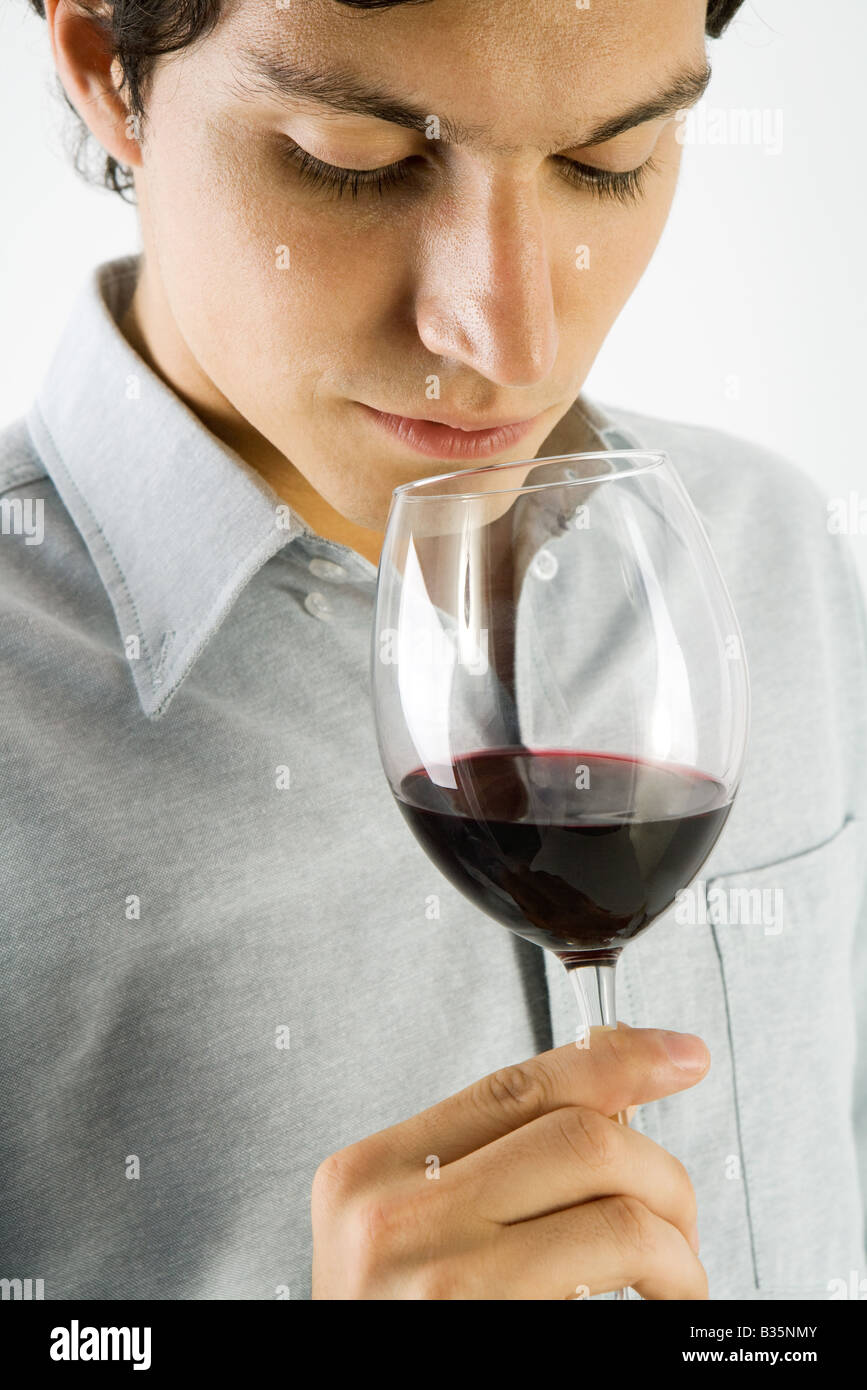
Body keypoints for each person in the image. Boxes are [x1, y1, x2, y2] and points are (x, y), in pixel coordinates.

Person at [1, 0, 864, 1301]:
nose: (511, 343)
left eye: (610, 160)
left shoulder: (774, 550)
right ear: (103, 71)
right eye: (358, 157)